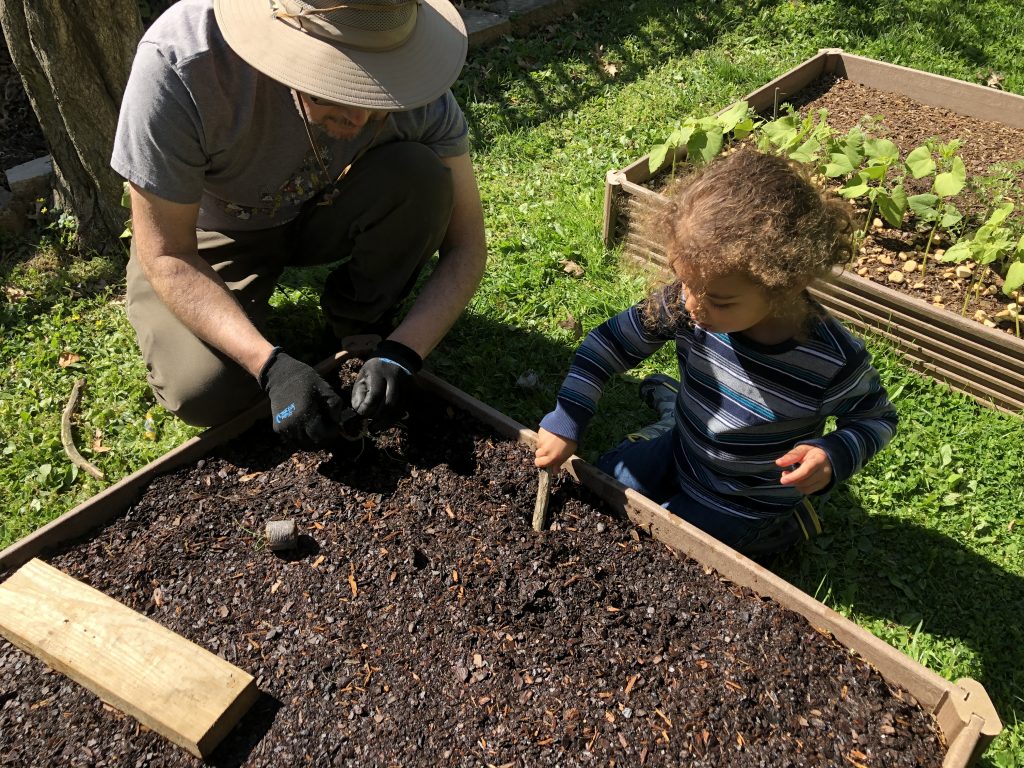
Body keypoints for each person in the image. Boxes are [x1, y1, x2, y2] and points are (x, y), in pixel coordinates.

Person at [111, 0, 487, 445]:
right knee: (206, 393)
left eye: (378, 94)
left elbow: (467, 246)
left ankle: (357, 324)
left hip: (318, 208)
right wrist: (269, 366)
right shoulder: (184, 63)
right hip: (208, 231)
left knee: (421, 176)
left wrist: (405, 351)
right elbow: (167, 251)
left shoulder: (416, 87)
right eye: (337, 89)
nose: (360, 117)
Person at [535, 148, 898, 558]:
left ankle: (784, 526)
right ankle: (673, 416)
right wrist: (568, 418)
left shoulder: (830, 360)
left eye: (721, 301)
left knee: (665, 548)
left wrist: (832, 455)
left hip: (744, 500)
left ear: (787, 284)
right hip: (683, 451)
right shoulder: (689, 306)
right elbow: (607, 345)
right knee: (602, 481)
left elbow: (875, 418)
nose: (691, 306)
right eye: (684, 283)